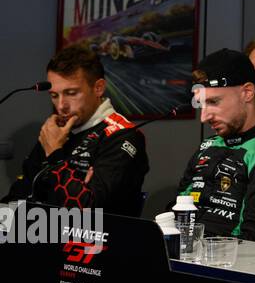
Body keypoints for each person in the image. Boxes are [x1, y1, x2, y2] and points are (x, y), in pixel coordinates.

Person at [4, 45, 148, 215]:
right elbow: (19, 196)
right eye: (54, 95)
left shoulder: (123, 136)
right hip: (38, 234)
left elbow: (86, 210)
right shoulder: (56, 131)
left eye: (71, 93)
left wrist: (54, 153)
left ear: (98, 88)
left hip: (96, 238)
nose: (61, 106)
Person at [178, 49, 255, 241]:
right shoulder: (207, 146)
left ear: (247, 92)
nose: (204, 117)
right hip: (181, 256)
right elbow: (174, 209)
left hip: (222, 263)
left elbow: (254, 239)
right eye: (201, 104)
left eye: (213, 102)